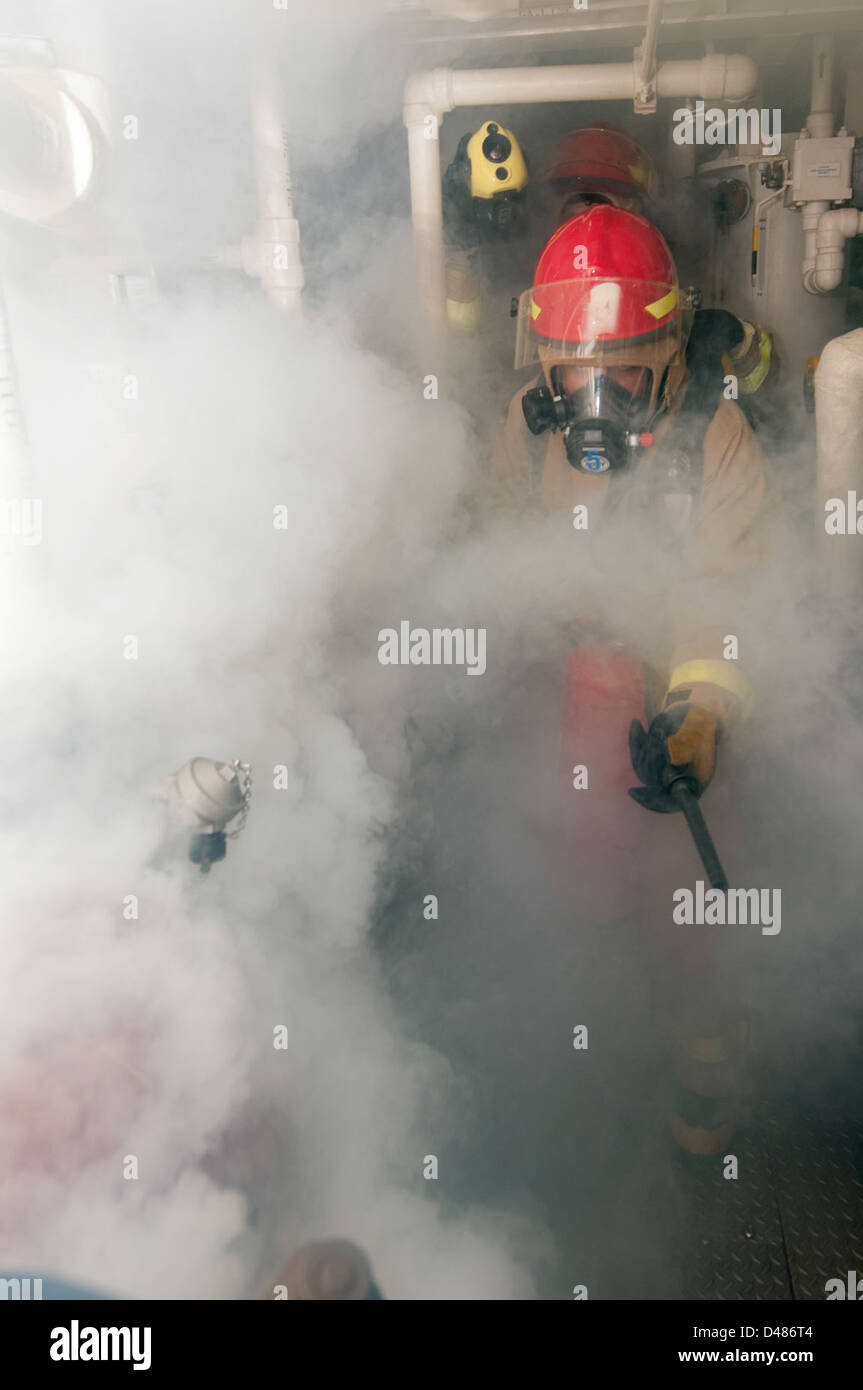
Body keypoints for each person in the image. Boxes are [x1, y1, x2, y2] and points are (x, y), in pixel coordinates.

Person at [491, 204, 780, 1155]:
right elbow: (494, 547)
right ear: (543, 360)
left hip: (681, 695)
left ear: (665, 353)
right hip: (580, 673)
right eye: (575, 368)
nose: (595, 394)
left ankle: (703, 1092)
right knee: (579, 881)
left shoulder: (715, 434)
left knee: (696, 911)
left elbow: (728, 592)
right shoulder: (528, 427)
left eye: (622, 369)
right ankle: (591, 1059)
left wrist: (699, 712)